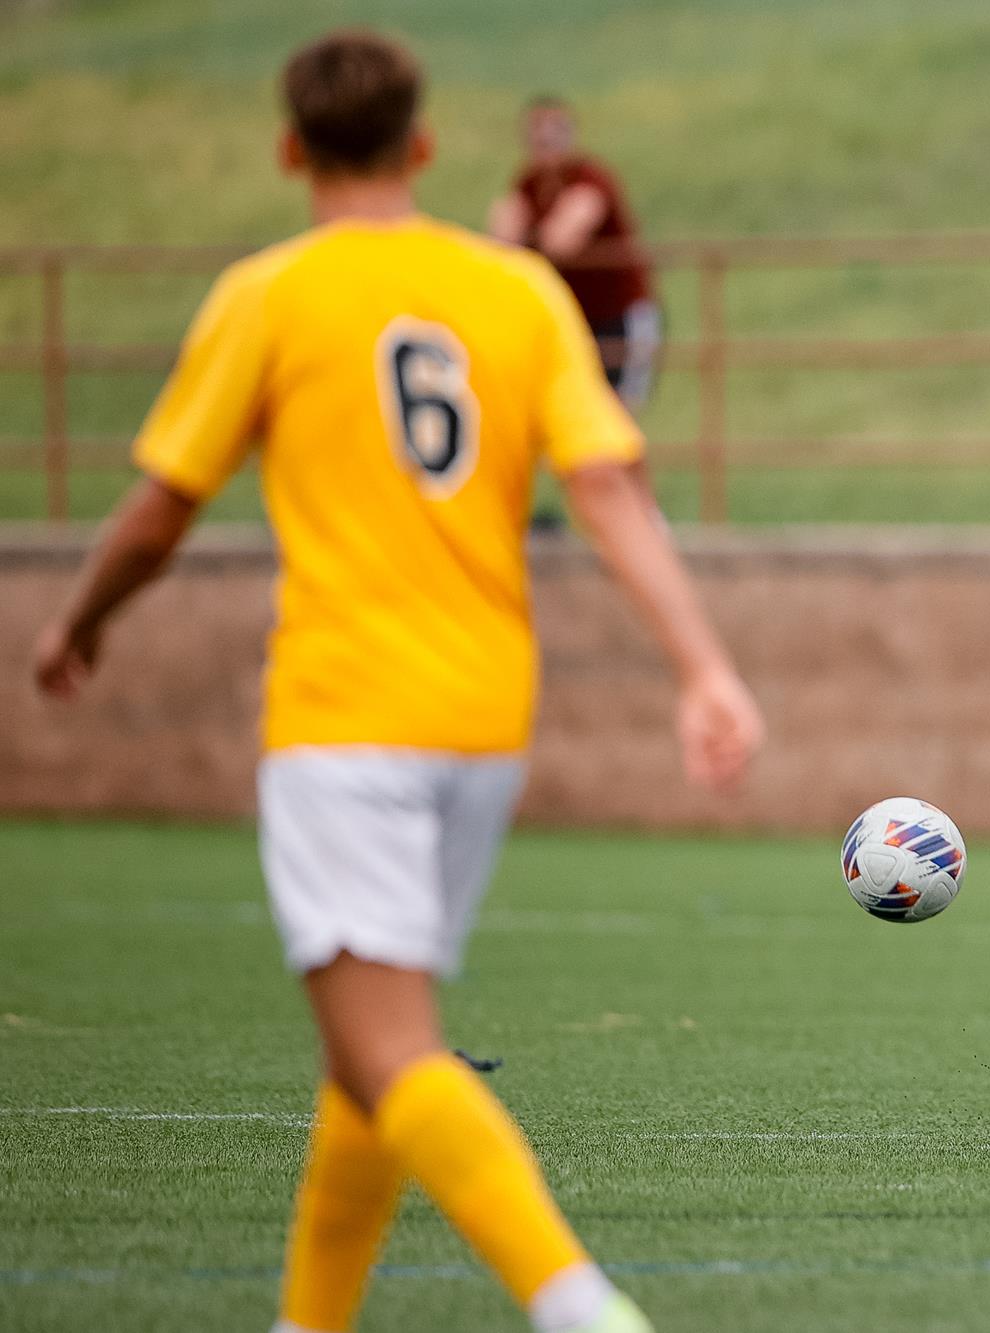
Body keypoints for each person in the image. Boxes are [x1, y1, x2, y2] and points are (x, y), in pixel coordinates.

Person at [31, 29, 764, 1332]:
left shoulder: (269, 293)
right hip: (485, 717)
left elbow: (156, 514)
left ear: (287, 149)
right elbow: (608, 488)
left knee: (388, 1048)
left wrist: (78, 621)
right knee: (364, 1057)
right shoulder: (518, 292)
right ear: (423, 146)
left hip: (344, 715)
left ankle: (581, 1306)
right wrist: (702, 667)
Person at [489, 97, 662, 413]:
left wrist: (525, 236)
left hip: (620, 316)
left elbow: (562, 238)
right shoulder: (529, 183)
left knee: (619, 418)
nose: (544, 141)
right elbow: (501, 240)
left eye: (553, 131)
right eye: (537, 132)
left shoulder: (590, 177)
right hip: (576, 320)